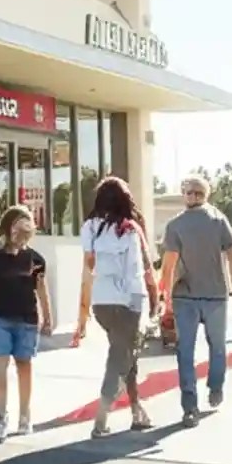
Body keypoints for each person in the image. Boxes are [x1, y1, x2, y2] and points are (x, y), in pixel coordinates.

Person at [71, 176, 161, 437]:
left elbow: (89, 265)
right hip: (130, 300)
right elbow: (145, 269)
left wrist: (83, 313)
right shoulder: (131, 228)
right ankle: (101, 419)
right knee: (120, 358)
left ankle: (136, 410)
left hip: (103, 301)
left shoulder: (90, 227)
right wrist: (155, 299)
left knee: (125, 354)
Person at [158, 175, 232, 428]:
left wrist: (163, 295)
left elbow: (169, 264)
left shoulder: (181, 224)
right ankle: (205, 396)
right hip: (206, 296)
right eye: (189, 192)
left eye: (195, 193)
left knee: (190, 350)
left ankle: (197, 402)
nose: (192, 196)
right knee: (210, 347)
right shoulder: (217, 220)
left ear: (203, 195)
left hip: (195, 296)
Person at [0, 205, 53, 440]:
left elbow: (41, 288)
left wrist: (48, 316)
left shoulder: (35, 259)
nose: (24, 229)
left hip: (27, 318)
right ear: (9, 227)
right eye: (20, 223)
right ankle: (1, 417)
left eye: (27, 224)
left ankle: (25, 415)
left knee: (24, 366)